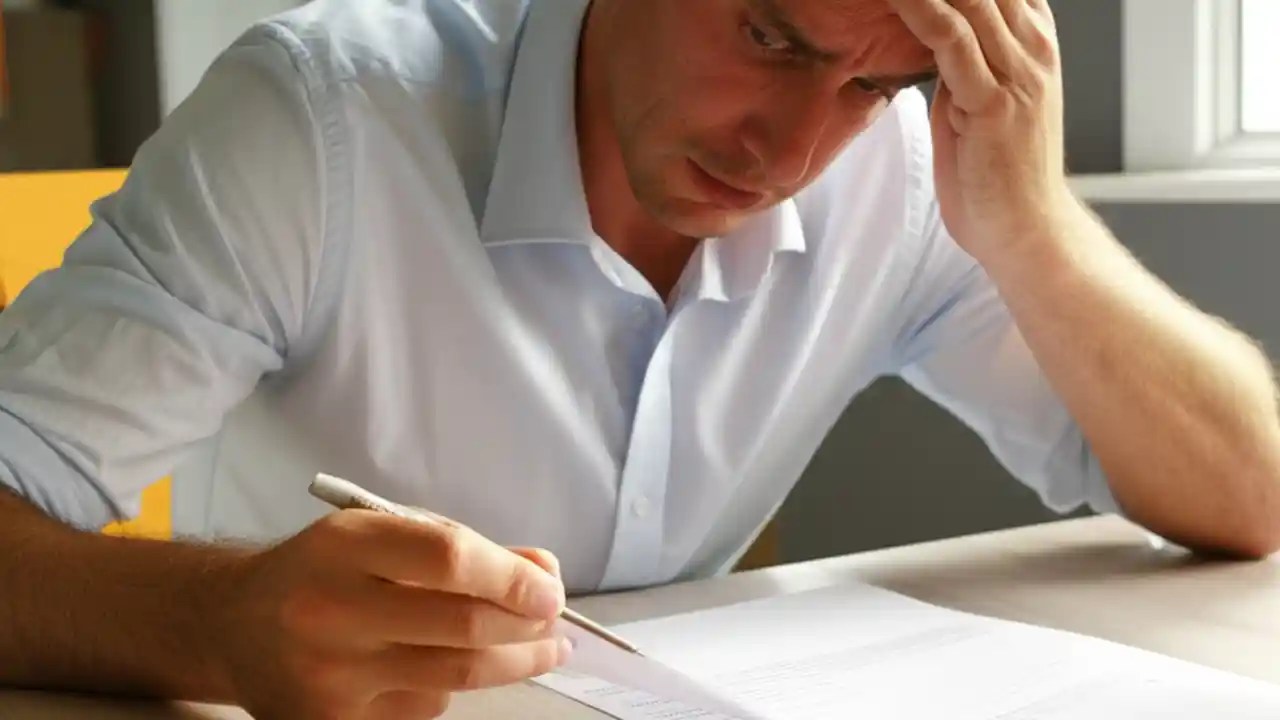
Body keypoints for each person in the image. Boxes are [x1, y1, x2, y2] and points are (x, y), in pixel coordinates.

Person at [2, 0, 1277, 717]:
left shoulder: (903, 181)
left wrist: (1034, 229)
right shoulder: (320, 124)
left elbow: (1249, 497)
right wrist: (218, 626)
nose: (789, 154)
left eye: (869, 89)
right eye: (771, 38)